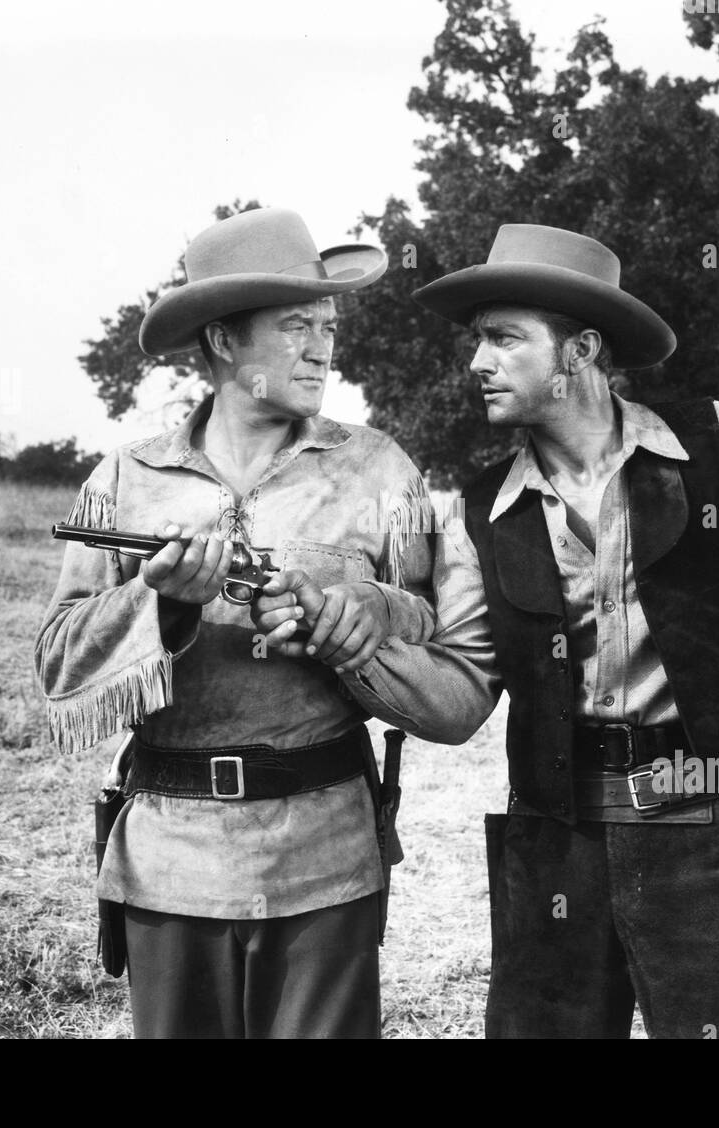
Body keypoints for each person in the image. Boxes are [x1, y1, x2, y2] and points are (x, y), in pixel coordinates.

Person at [255, 222, 719, 1039]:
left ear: (581, 351)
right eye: (477, 341)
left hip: (709, 823)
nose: (477, 363)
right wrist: (347, 637)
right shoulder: (482, 510)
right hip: (551, 834)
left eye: (503, 339)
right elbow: (459, 697)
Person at [34, 207, 438, 1039]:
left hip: (327, 857)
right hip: (170, 864)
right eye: (296, 326)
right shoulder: (126, 478)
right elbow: (60, 666)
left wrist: (368, 609)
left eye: (326, 325)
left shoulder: (379, 468)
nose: (323, 347)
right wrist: (166, 604)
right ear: (222, 342)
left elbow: (436, 626)